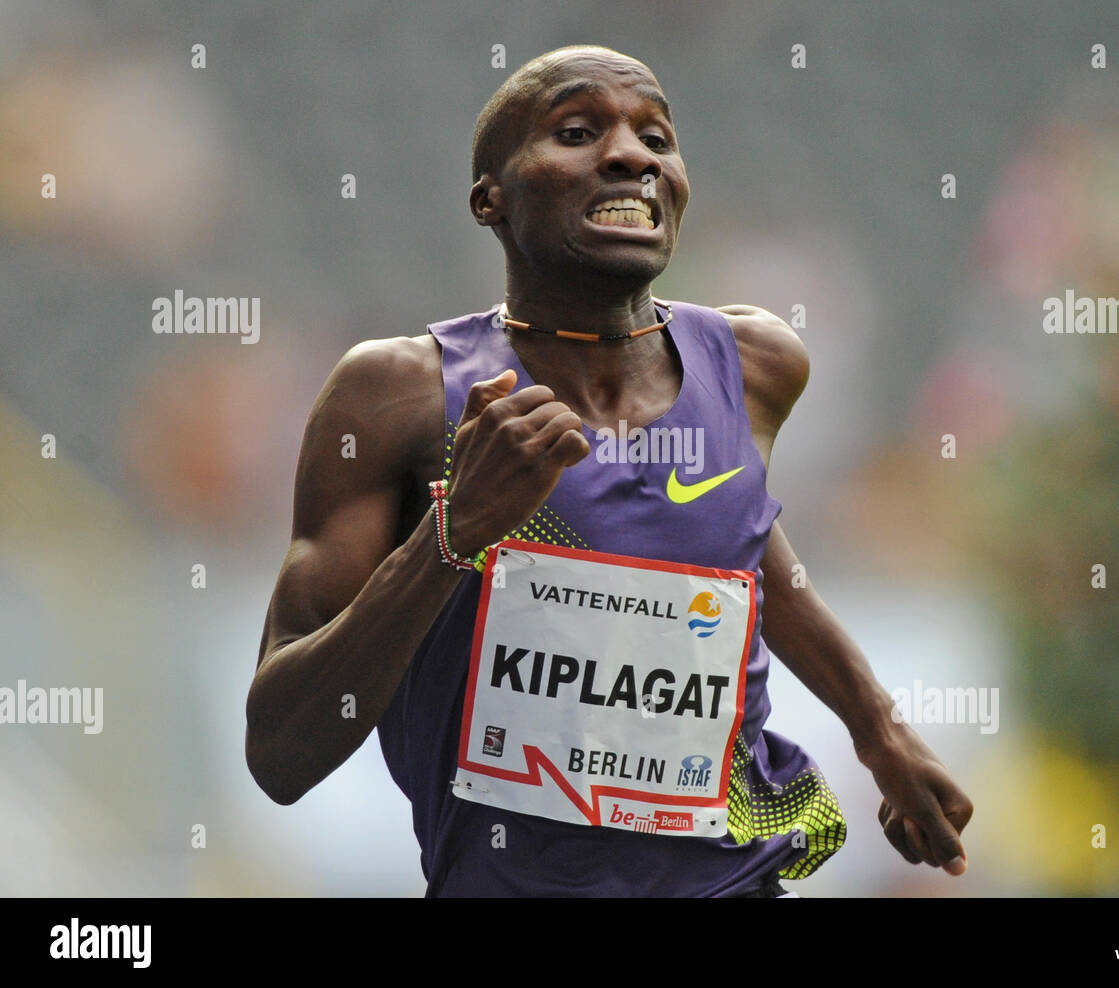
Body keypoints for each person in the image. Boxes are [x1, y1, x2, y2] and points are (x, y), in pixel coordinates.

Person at [245, 44, 973, 897]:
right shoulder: (397, 395)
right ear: (491, 199)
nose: (632, 155)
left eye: (657, 137)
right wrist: (453, 535)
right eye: (578, 131)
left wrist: (877, 727)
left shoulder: (756, 363)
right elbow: (281, 752)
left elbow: (742, 540)